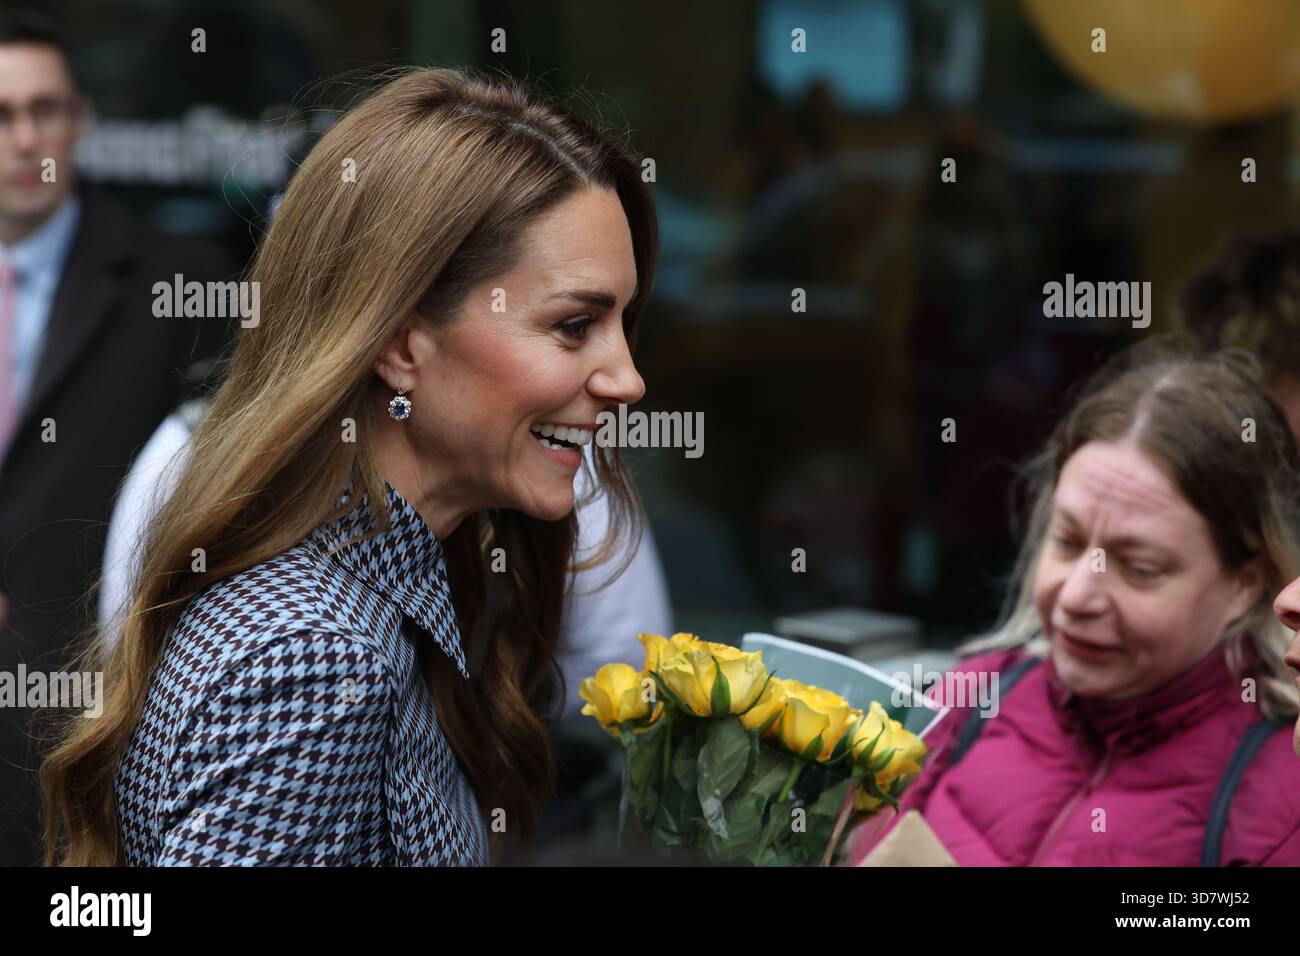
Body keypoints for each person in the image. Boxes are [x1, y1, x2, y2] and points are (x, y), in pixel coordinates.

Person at [39, 65, 659, 865]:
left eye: (624, 323)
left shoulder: (380, 590)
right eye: (575, 326)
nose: (628, 380)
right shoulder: (316, 656)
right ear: (403, 344)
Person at [853, 344, 1300, 865]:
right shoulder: (971, 699)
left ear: (1246, 584)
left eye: (1140, 569)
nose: (1076, 597)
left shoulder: (1278, 797)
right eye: (1067, 542)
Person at [0, 8, 234, 865]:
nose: (28, 139)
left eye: (46, 109)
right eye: (2, 115)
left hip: (101, 727)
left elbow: (221, 495)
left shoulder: (182, 283)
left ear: (80, 120)